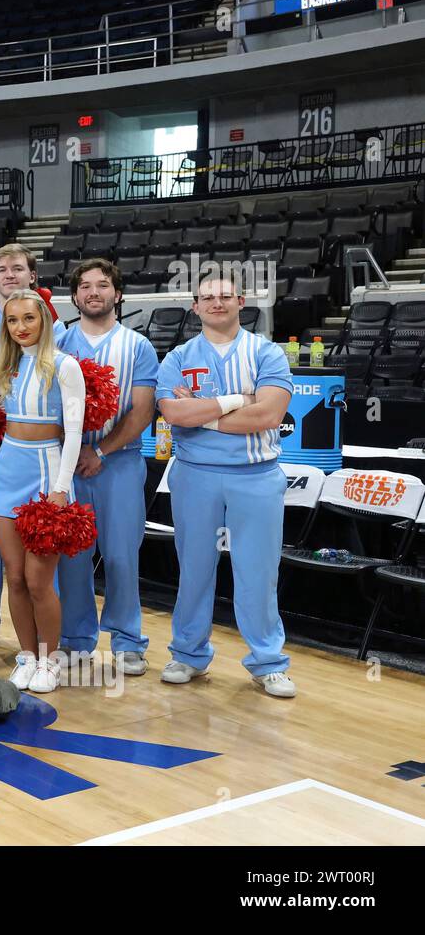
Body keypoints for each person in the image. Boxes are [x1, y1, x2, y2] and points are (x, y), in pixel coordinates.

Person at [155, 277, 297, 698]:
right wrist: (239, 400)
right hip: (194, 474)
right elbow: (172, 413)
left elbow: (269, 416)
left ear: (240, 302)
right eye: (207, 297)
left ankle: (268, 663)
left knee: (257, 571)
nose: (216, 302)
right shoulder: (178, 357)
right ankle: (188, 654)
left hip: (256, 475)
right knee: (194, 568)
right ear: (195, 307)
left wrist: (204, 415)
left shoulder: (266, 352)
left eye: (224, 296)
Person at [56, 259, 158, 676]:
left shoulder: (138, 346)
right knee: (73, 556)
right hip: (68, 462)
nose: (93, 292)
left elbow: (142, 411)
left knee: (120, 555)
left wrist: (101, 452)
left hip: (120, 460)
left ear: (118, 294)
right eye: (85, 286)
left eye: (103, 285)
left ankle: (127, 639)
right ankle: (76, 639)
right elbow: (48, 407)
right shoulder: (58, 343)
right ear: (75, 296)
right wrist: (74, 451)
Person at [0, 289, 86, 695]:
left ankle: (50, 659)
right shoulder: (3, 365)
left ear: (44, 320)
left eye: (28, 319)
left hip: (46, 473)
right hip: (6, 472)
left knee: (38, 581)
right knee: (14, 577)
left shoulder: (65, 366)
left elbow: (75, 431)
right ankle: (27, 655)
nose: (21, 327)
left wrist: (62, 487)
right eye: (13, 321)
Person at [0, 243, 67, 346]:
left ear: (32, 277)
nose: (9, 275)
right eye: (2, 270)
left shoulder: (52, 326)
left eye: (17, 269)